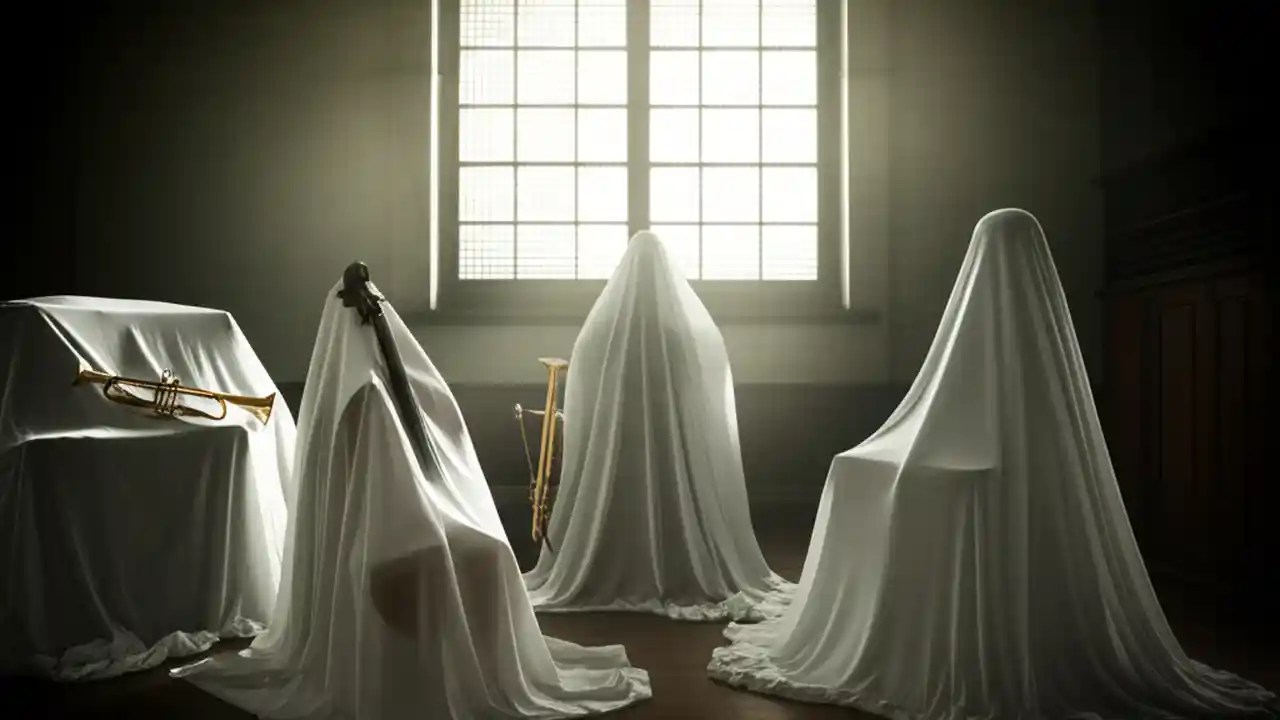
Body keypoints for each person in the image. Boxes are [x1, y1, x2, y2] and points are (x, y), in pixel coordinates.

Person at [708, 208, 1279, 719]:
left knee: (876, 476)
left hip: (992, 469)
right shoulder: (1042, 336)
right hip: (1005, 470)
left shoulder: (1019, 333)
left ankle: (914, 639)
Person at [172, 270, 650, 719]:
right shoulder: (359, 401)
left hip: (419, 513)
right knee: (452, 555)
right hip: (379, 530)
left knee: (487, 551)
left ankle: (477, 664)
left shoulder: (394, 390)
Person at [524, 231, 793, 621]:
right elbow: (705, 400)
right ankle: (679, 562)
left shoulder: (599, 335)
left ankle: (608, 564)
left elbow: (586, 405)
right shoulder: (688, 334)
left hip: (618, 451)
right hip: (673, 451)